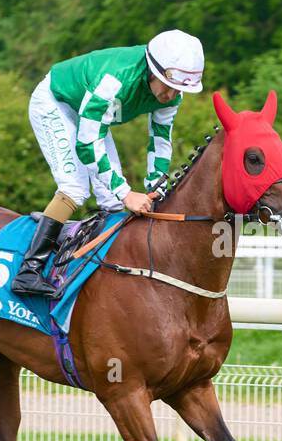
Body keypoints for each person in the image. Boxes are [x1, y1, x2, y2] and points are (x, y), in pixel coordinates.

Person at [12, 29, 204, 297]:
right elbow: (87, 145)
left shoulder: (173, 94)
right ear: (152, 71)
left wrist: (156, 185)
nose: (172, 95)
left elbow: (160, 139)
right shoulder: (114, 80)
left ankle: (97, 270)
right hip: (56, 102)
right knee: (75, 187)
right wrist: (127, 193)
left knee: (111, 202)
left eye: (180, 89)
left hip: (92, 115)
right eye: (169, 86)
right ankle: (28, 270)